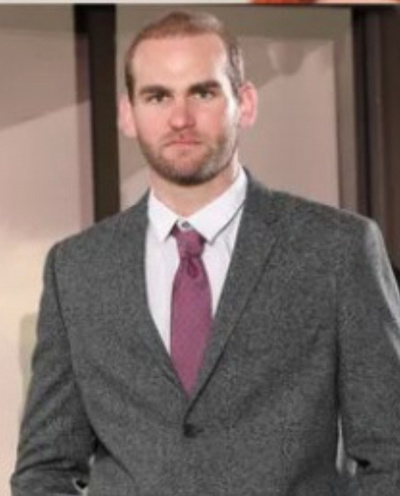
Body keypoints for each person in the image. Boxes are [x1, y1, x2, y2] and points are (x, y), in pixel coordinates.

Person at [11, 10, 400, 496]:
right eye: (158, 96)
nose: (180, 118)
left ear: (245, 103)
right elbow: (44, 468)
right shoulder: (76, 269)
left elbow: (392, 454)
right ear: (128, 113)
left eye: (203, 92)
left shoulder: (337, 248)